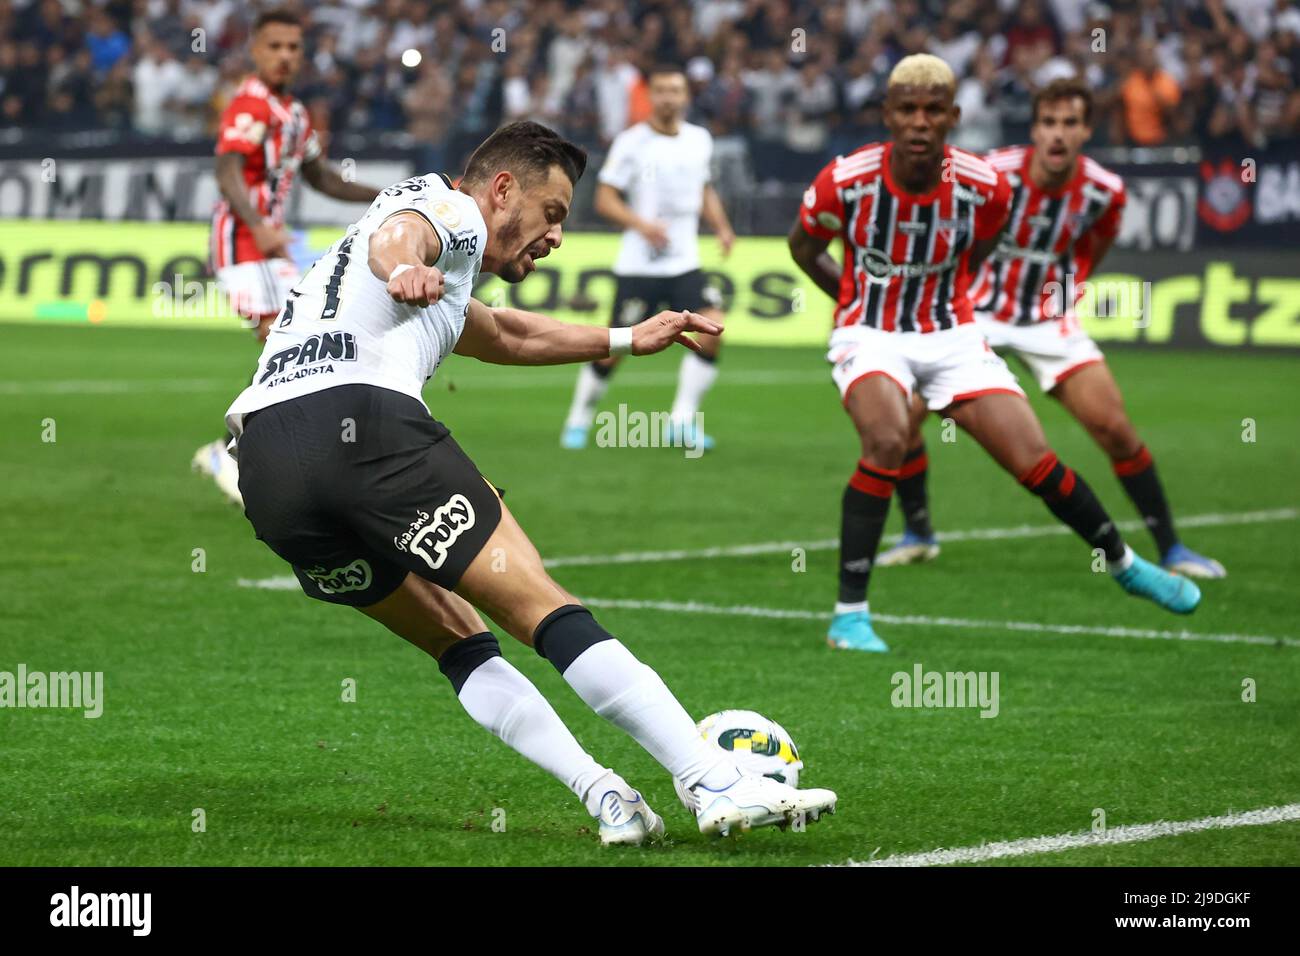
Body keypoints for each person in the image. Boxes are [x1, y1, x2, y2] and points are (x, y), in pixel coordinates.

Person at [223, 121, 837, 844]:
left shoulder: (398, 273)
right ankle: (712, 780)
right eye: (553, 214)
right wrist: (403, 267)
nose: (555, 238)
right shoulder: (445, 211)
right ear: (503, 189)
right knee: (543, 609)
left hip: (267, 469)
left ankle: (607, 795)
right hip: (362, 427)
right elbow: (407, 235)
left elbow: (507, 335)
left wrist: (626, 339)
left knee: (459, 643)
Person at [787, 55, 1201, 654]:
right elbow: (802, 247)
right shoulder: (846, 179)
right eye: (907, 109)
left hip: (953, 331)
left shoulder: (984, 185)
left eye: (934, 110)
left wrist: (938, 303)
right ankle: (849, 616)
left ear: (954, 116)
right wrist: (857, 297)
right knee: (886, 438)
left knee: (1034, 458)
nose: (921, 122)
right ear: (888, 115)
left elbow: (978, 253)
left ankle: (1126, 563)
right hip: (868, 332)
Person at [878, 78, 1225, 579]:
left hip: (1048, 319)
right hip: (974, 315)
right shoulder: (991, 171)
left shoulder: (1104, 190)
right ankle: (918, 534)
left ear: (1086, 130)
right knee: (901, 417)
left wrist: (1071, 286)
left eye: (1069, 123)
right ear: (1034, 129)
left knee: (1116, 431)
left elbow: (1099, 240)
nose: (1058, 134)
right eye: (1048, 123)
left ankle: (1171, 548)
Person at [194, 8, 381, 505]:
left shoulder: (295, 114)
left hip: (270, 245)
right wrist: (258, 225)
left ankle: (244, 455)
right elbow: (226, 169)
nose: (284, 56)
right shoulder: (249, 105)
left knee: (295, 350)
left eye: (293, 48)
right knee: (286, 348)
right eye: (274, 46)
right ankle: (239, 454)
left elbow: (322, 179)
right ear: (255, 51)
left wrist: (388, 193)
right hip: (242, 242)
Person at [559, 64, 735, 453]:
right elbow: (605, 198)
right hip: (640, 264)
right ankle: (578, 418)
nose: (669, 97)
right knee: (614, 349)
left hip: (685, 261)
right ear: (650, 97)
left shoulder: (699, 139)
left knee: (712, 330)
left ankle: (681, 421)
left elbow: (704, 187)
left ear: (686, 97)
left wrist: (721, 226)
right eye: (661, 90)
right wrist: (641, 225)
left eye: (676, 90)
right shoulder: (631, 142)